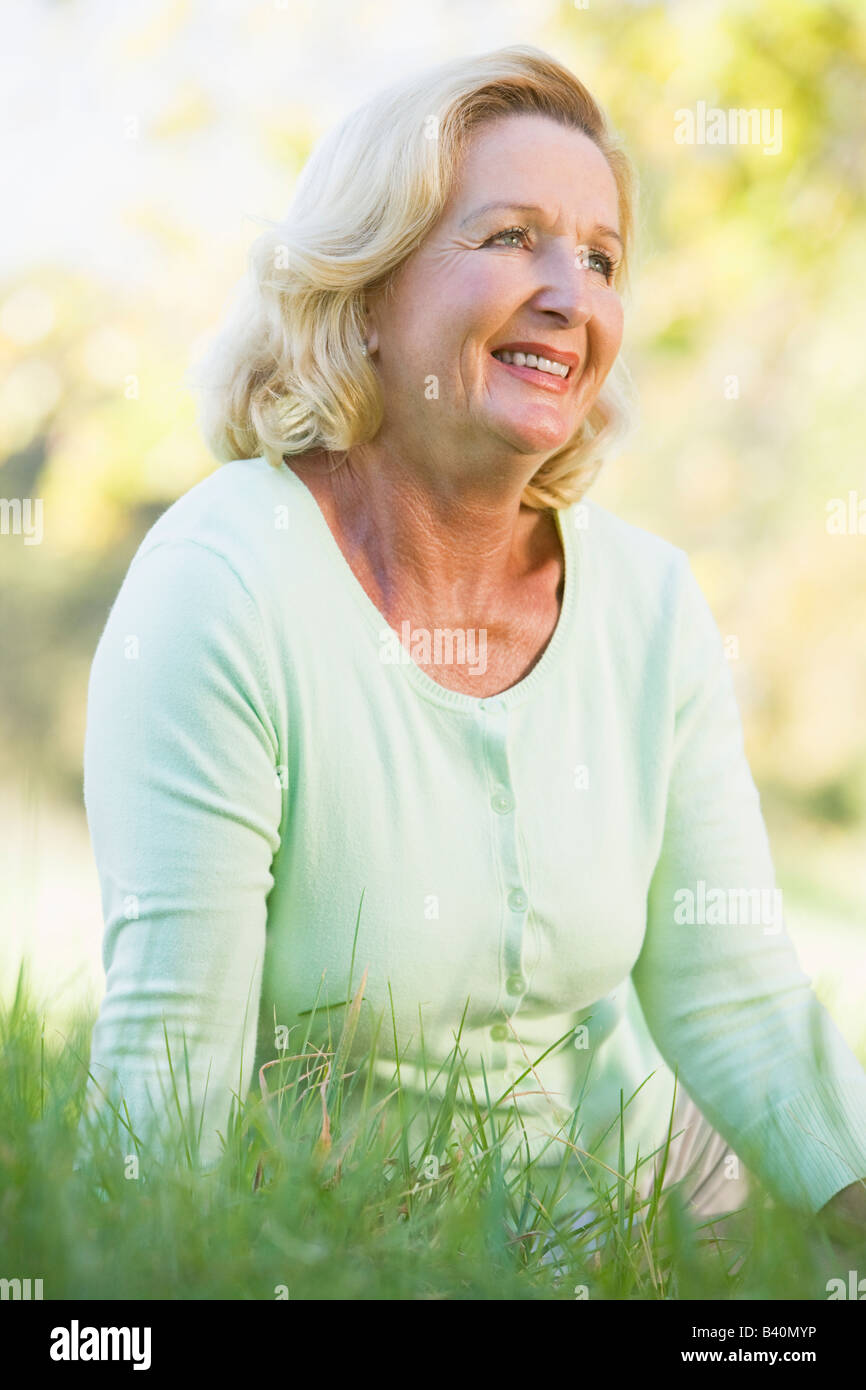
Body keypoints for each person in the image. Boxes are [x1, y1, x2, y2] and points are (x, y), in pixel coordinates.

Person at [80, 45, 866, 1245]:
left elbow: (738, 1000)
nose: (571, 293)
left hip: (620, 1237)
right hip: (325, 1258)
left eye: (600, 259)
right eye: (510, 238)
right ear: (368, 288)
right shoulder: (221, 587)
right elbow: (166, 1077)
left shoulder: (650, 605)